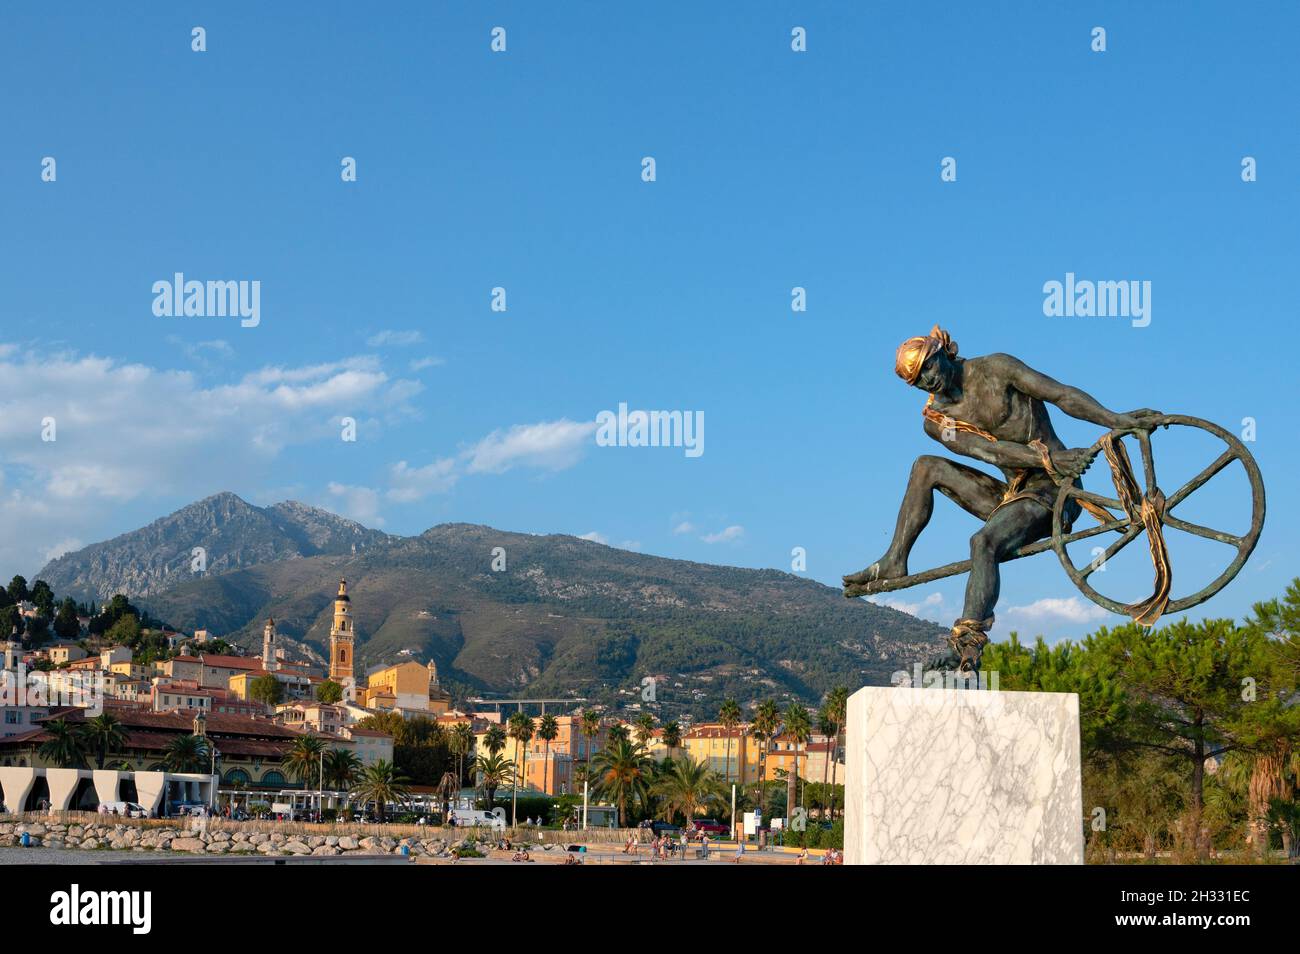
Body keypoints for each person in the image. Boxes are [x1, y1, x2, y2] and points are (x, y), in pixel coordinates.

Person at [843, 325, 1164, 671]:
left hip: (1054, 490)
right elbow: (989, 452)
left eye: (929, 368)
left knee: (983, 543)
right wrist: (1044, 457)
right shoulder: (937, 421)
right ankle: (895, 558)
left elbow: (1062, 395)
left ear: (942, 354)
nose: (928, 381)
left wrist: (1117, 420)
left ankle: (968, 639)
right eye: (918, 381)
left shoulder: (997, 369)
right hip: (1012, 492)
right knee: (925, 466)